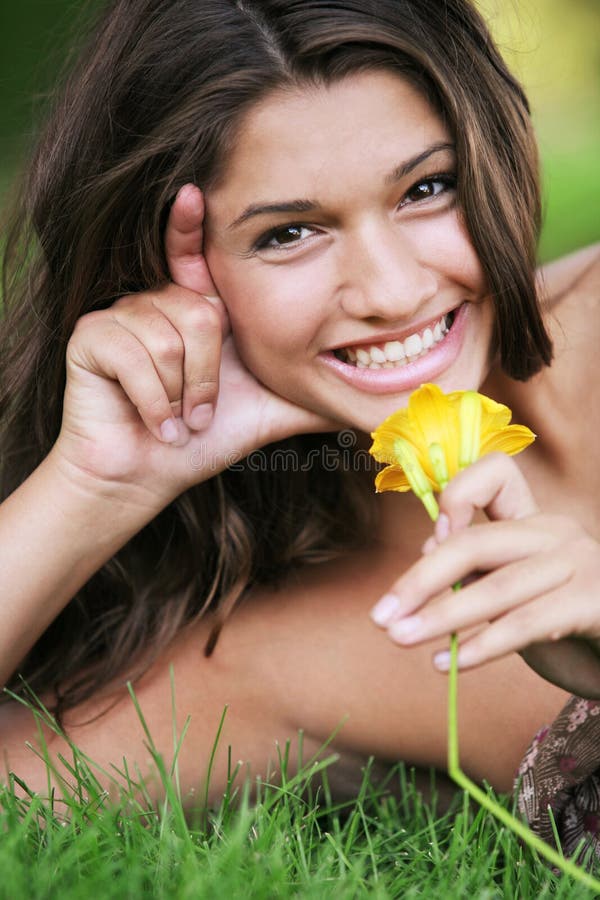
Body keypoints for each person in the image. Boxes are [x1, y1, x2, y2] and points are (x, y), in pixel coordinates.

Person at [0, 0, 599, 818]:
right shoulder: (271, 656)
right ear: (166, 270)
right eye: (288, 234)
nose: (393, 291)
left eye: (428, 188)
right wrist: (96, 486)